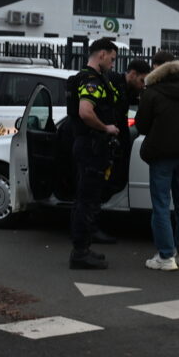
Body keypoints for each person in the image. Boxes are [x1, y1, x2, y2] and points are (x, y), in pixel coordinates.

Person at [135, 58, 179, 271]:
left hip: (161, 155)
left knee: (161, 205)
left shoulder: (152, 93)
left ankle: (166, 256)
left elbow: (141, 125)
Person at [68, 38, 121, 270]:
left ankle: (84, 247)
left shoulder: (97, 79)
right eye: (112, 58)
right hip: (91, 146)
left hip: (91, 146)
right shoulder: (90, 80)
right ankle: (80, 253)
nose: (112, 63)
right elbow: (86, 112)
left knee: (87, 199)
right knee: (86, 201)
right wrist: (106, 128)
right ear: (102, 54)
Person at [98, 57, 151, 220]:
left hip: (118, 140)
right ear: (133, 74)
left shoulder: (130, 90)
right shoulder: (112, 83)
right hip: (104, 140)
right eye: (141, 80)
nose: (142, 85)